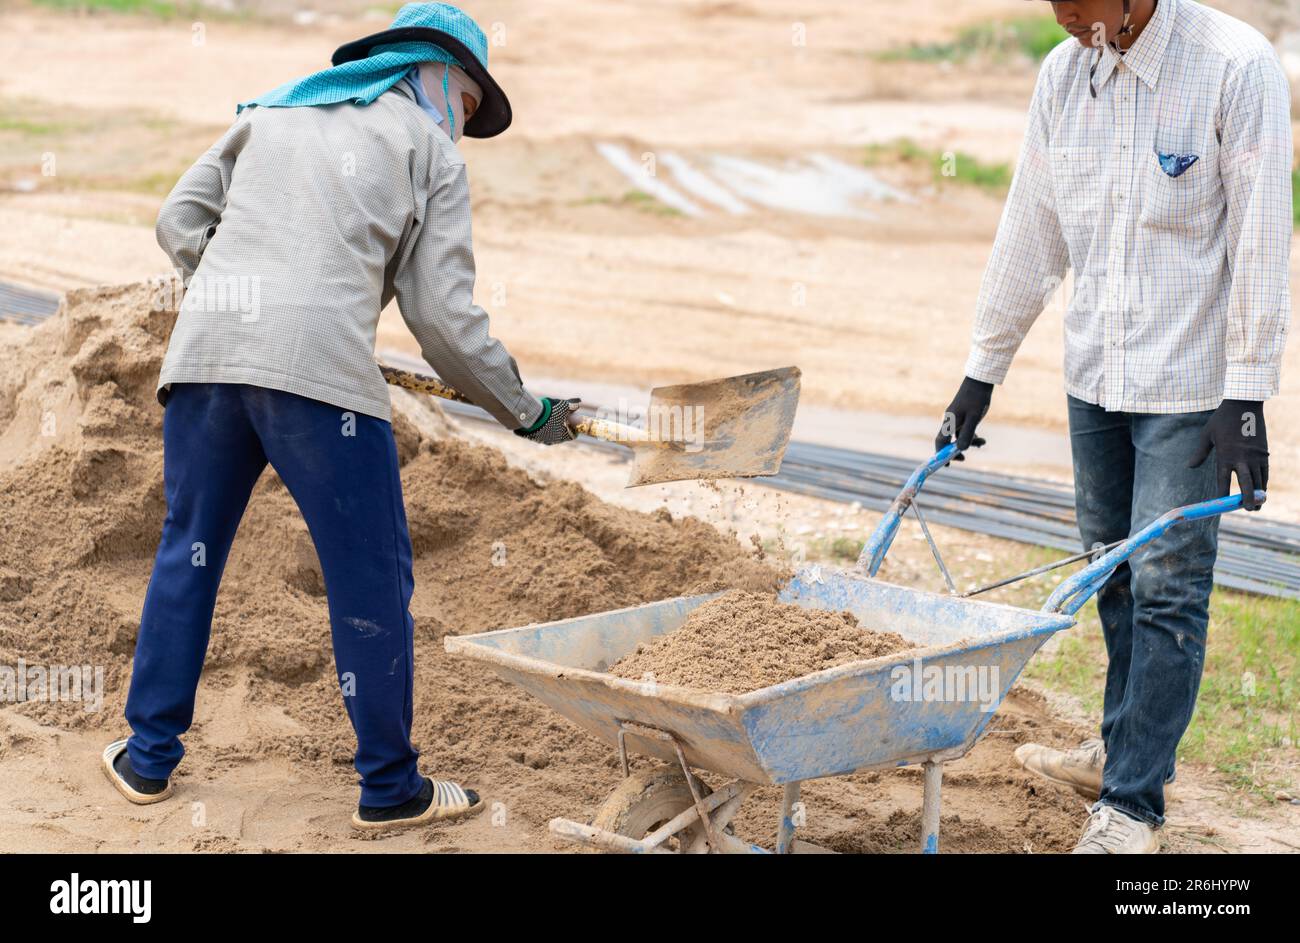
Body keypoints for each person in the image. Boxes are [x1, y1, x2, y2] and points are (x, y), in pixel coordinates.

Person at [102, 2, 579, 830]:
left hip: (205, 360)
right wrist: (525, 409)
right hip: (321, 384)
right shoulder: (426, 145)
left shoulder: (273, 108)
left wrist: (235, 291)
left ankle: (146, 761)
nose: (463, 124)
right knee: (370, 579)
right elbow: (443, 320)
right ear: (437, 75)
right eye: (468, 104)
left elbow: (176, 219)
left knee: (187, 552)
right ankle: (390, 788)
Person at [935, 0, 1290, 853]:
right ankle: (1123, 749)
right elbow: (1033, 227)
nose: (1063, 14)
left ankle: (1133, 807)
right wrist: (983, 368)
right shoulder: (1064, 75)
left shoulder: (1235, 68)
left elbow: (1262, 236)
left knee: (1168, 585)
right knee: (1113, 570)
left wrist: (1246, 391)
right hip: (1096, 375)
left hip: (1189, 384)